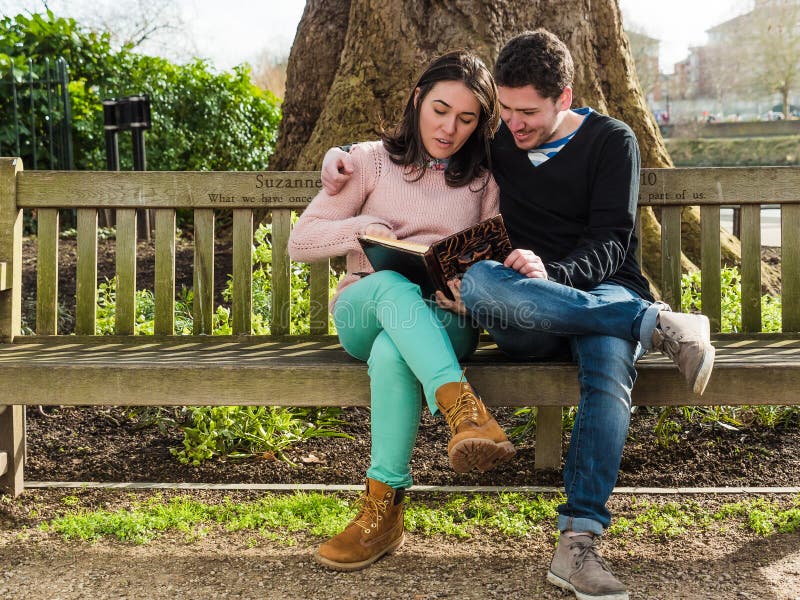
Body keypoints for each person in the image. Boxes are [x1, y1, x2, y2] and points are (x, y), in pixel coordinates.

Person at [320, 30, 715, 600]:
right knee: (481, 281)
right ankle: (653, 324)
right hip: (524, 313)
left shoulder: (612, 141)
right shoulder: (499, 144)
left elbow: (611, 243)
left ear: (565, 97)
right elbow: (423, 149)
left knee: (607, 375)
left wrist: (552, 273)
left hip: (599, 295)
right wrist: (341, 159)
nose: (513, 123)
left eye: (527, 111)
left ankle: (577, 545)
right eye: (504, 109)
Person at [288, 50, 515, 572]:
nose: (448, 128)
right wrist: (366, 228)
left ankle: (381, 510)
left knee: (395, 354)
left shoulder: (483, 180)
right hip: (364, 308)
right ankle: (464, 410)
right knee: (390, 284)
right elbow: (301, 242)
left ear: (480, 123)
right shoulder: (366, 160)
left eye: (466, 119)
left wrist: (463, 285)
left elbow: (492, 253)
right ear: (417, 99)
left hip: (443, 320)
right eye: (439, 110)